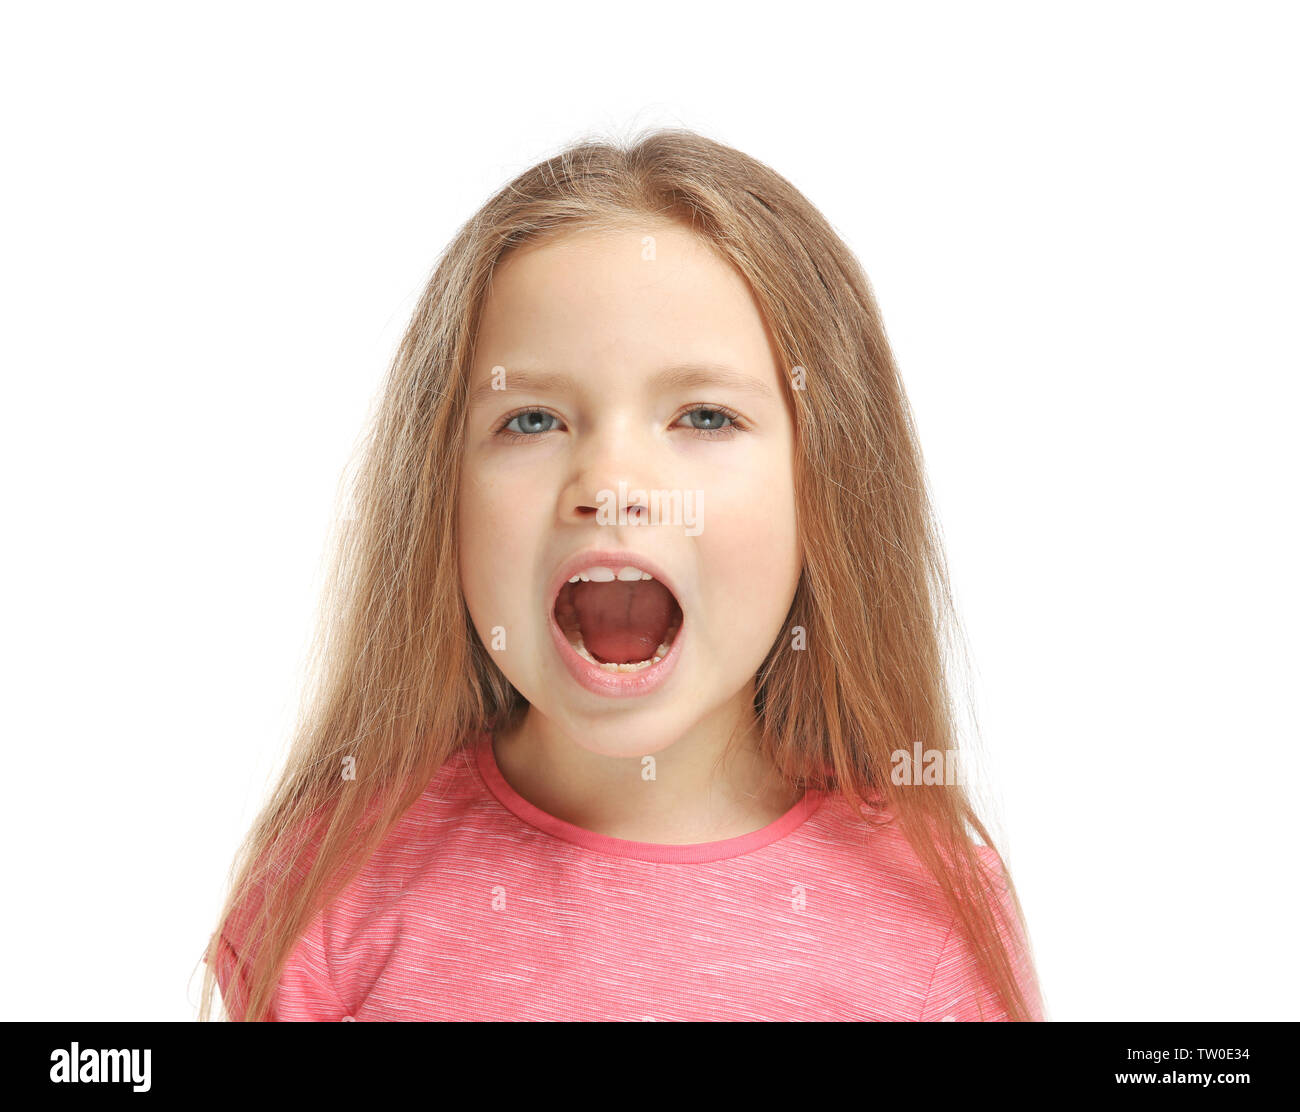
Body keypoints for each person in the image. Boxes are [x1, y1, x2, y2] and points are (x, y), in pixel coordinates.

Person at [198, 127, 1044, 1022]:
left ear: (827, 486)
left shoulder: (930, 914)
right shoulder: (336, 886)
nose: (608, 486)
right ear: (439, 492)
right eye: (531, 420)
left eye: (706, 416)